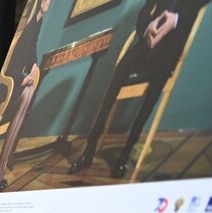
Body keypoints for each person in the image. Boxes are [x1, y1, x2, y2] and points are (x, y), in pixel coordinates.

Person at [70, 0, 211, 178]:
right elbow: (144, 12)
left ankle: (125, 154)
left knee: (157, 82)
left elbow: (194, 8)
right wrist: (148, 28)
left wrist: (175, 19)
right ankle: (90, 147)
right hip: (145, 46)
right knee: (119, 72)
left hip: (169, 50)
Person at [0, 0, 49, 191]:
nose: (49, 2)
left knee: (29, 90)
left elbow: (31, 51)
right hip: (2, 92)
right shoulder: (24, 26)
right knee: (27, 89)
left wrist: (34, 65)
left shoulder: (35, 24)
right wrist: (22, 80)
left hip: (14, 87)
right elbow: (10, 67)